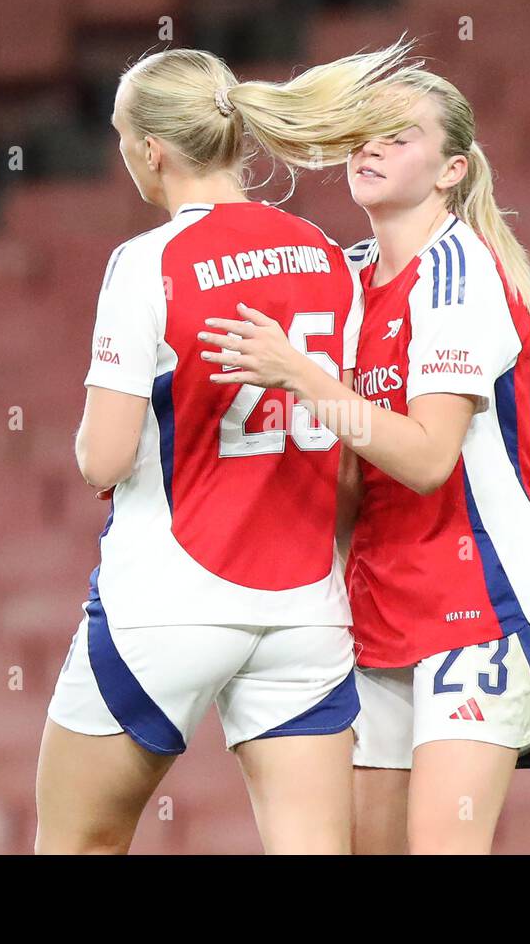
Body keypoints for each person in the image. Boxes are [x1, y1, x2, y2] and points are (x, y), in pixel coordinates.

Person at [36, 42, 421, 854]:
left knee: (78, 842)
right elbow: (348, 456)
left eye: (119, 137)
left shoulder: (146, 264)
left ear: (152, 150)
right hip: (303, 606)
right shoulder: (325, 254)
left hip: (168, 597)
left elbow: (102, 461)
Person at [198, 67, 530, 854]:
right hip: (376, 599)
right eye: (364, 133)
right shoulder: (349, 275)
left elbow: (430, 458)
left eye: (400, 138)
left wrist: (298, 371)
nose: (371, 150)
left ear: (451, 170)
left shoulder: (457, 275)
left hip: (478, 604)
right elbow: (346, 461)